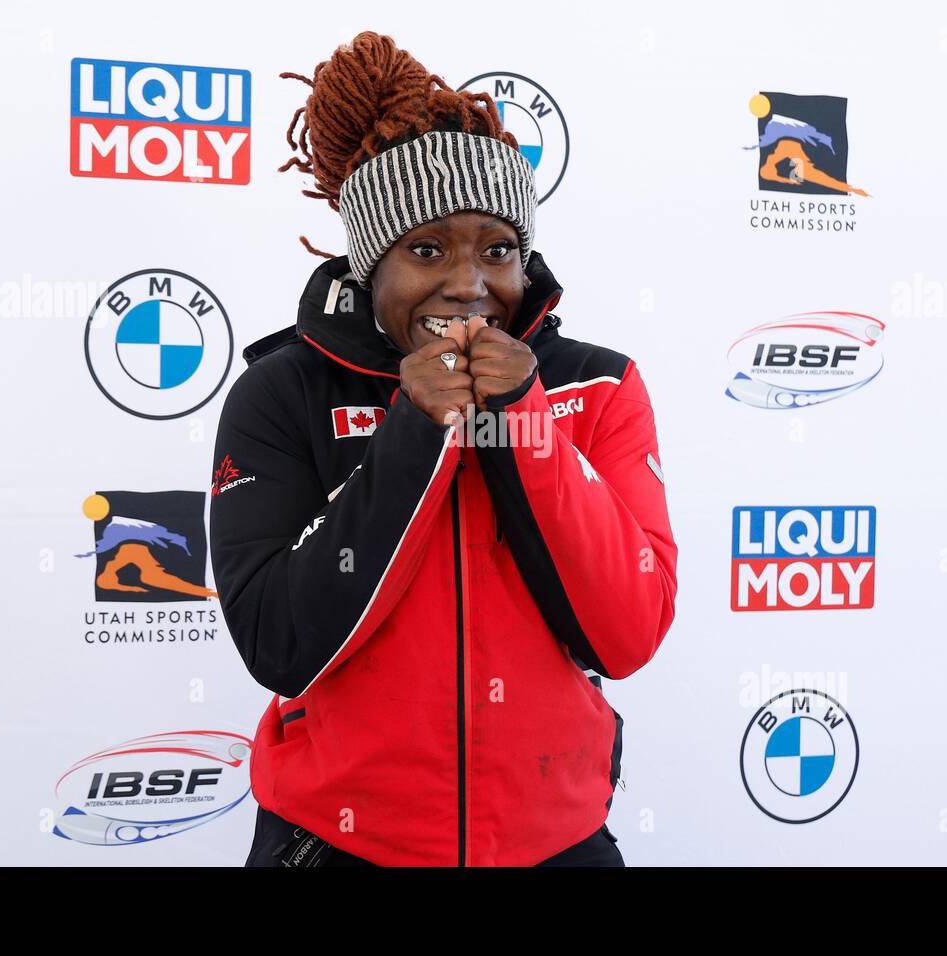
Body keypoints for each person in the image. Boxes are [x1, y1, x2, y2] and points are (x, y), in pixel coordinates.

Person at [209, 31, 678, 867]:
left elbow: (627, 634)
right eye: (427, 249)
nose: (469, 285)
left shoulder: (599, 388)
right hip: (336, 847)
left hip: (557, 845)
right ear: (371, 261)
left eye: (498, 250)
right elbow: (277, 642)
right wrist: (416, 430)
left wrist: (523, 420)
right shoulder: (282, 393)